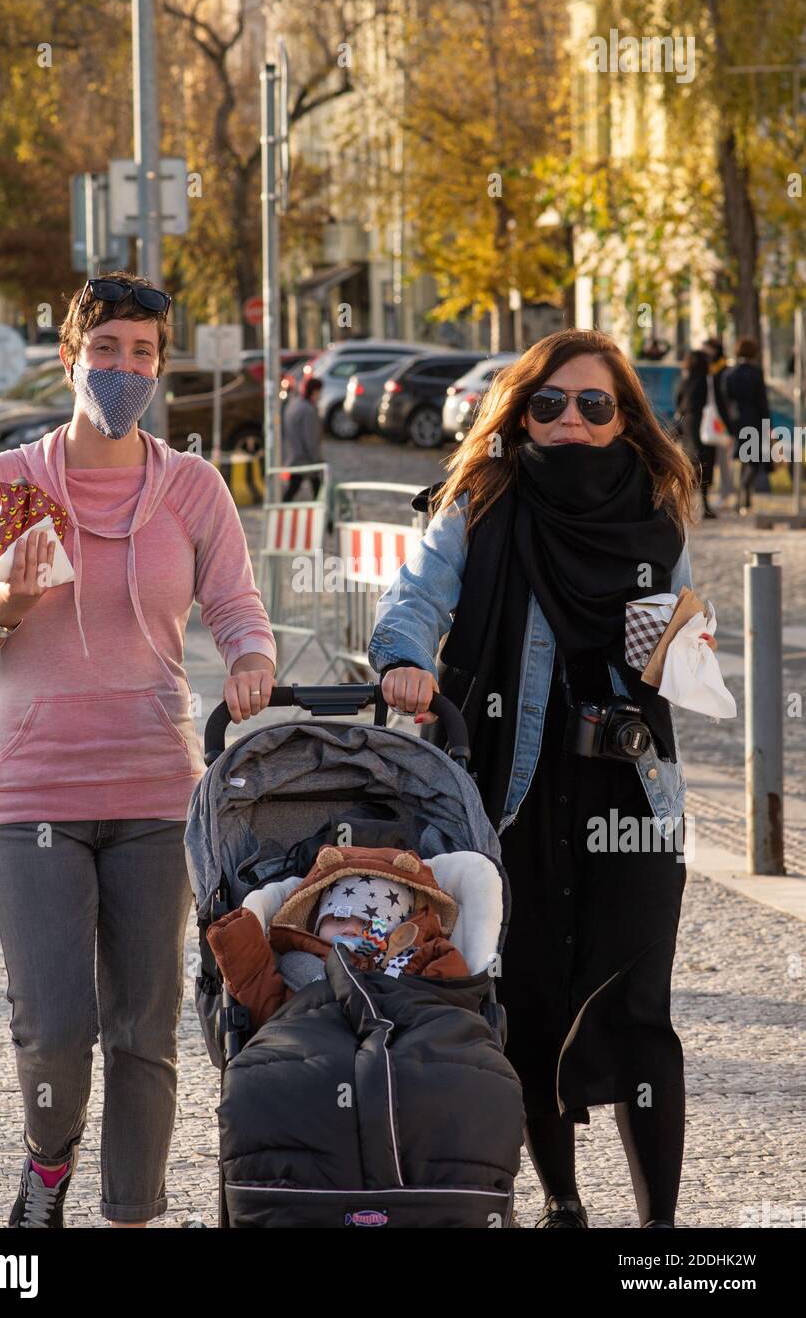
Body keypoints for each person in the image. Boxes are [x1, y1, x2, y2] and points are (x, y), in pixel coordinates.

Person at [0, 272, 277, 1229]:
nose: (122, 369)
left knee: (144, 1031)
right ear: (69, 357)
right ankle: (48, 1168)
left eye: (142, 354)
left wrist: (251, 659)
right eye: (105, 350)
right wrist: (3, 614)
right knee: (54, 1026)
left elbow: (238, 607)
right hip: (30, 791)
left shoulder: (191, 486)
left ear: (161, 369)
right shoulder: (9, 483)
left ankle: (134, 1213)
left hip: (157, 790)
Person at [368, 328, 710, 1229]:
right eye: (547, 403)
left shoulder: (653, 509)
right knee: (524, 996)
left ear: (622, 418)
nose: (568, 420)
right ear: (519, 410)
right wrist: (405, 660)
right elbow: (415, 596)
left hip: (629, 792)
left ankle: (661, 1233)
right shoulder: (482, 497)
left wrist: (683, 649)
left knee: (638, 1003)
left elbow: (675, 633)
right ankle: (561, 1204)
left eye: (593, 405)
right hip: (511, 784)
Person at [205, 844, 467, 1031]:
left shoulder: (417, 955)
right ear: (316, 926)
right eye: (339, 919)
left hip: (400, 1040)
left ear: (397, 929)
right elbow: (263, 1000)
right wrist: (237, 940)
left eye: (366, 922)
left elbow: (448, 998)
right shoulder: (299, 964)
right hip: (317, 1046)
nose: (351, 929)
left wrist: (394, 977)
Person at [724, 336, 772, 514]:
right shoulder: (755, 372)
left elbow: (725, 398)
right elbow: (762, 401)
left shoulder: (730, 373)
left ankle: (743, 500)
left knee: (744, 460)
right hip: (754, 420)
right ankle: (744, 494)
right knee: (754, 460)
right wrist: (769, 424)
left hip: (736, 420)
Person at [673, 347, 719, 518]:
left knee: (690, 465)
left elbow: (678, 403)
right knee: (706, 465)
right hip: (705, 426)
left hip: (689, 426)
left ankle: (684, 506)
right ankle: (705, 505)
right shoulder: (708, 382)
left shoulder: (685, 381)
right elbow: (718, 402)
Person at [702, 337, 735, 507]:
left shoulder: (723, 370)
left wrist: (730, 427)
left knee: (725, 460)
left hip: (721, 421)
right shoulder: (709, 369)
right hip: (713, 419)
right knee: (714, 459)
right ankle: (723, 493)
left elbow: (724, 400)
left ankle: (726, 494)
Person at [281, 383, 323, 501]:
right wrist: (317, 459)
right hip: (304, 459)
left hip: (295, 455)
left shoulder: (294, 404)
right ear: (314, 392)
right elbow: (311, 438)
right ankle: (323, 516)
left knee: (301, 486)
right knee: (313, 487)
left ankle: (323, 516)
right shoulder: (308, 410)